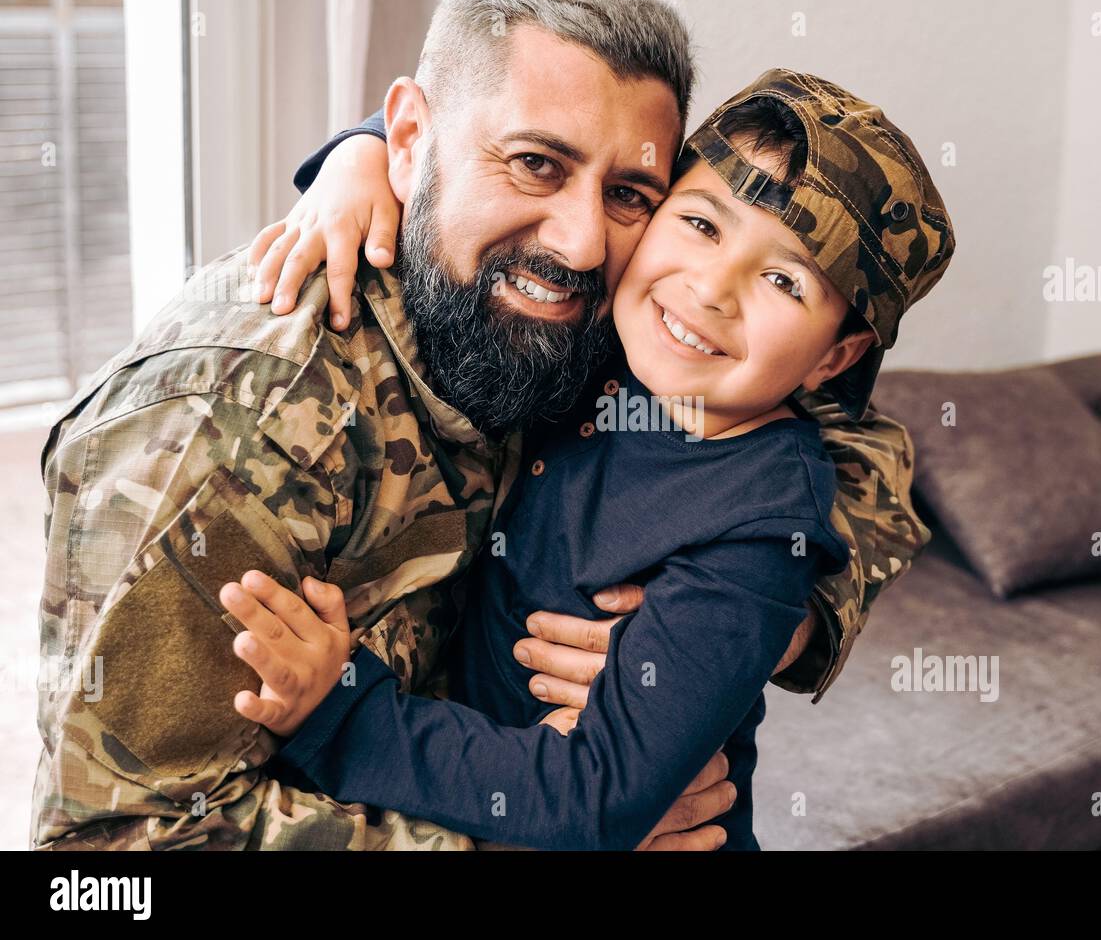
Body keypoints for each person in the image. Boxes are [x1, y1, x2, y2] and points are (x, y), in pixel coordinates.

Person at [32, 0, 929, 851]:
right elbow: (104, 856)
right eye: (536, 164)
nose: (580, 242)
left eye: (628, 194)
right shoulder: (230, 423)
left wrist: (777, 624)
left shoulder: (623, 330)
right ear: (414, 139)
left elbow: (855, 449)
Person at [223, 69, 955, 851]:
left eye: (783, 279)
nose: (711, 289)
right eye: (702, 224)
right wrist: (363, 154)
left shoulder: (758, 527)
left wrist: (342, 714)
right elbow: (495, 124)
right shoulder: (605, 329)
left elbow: (592, 798)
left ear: (834, 355)